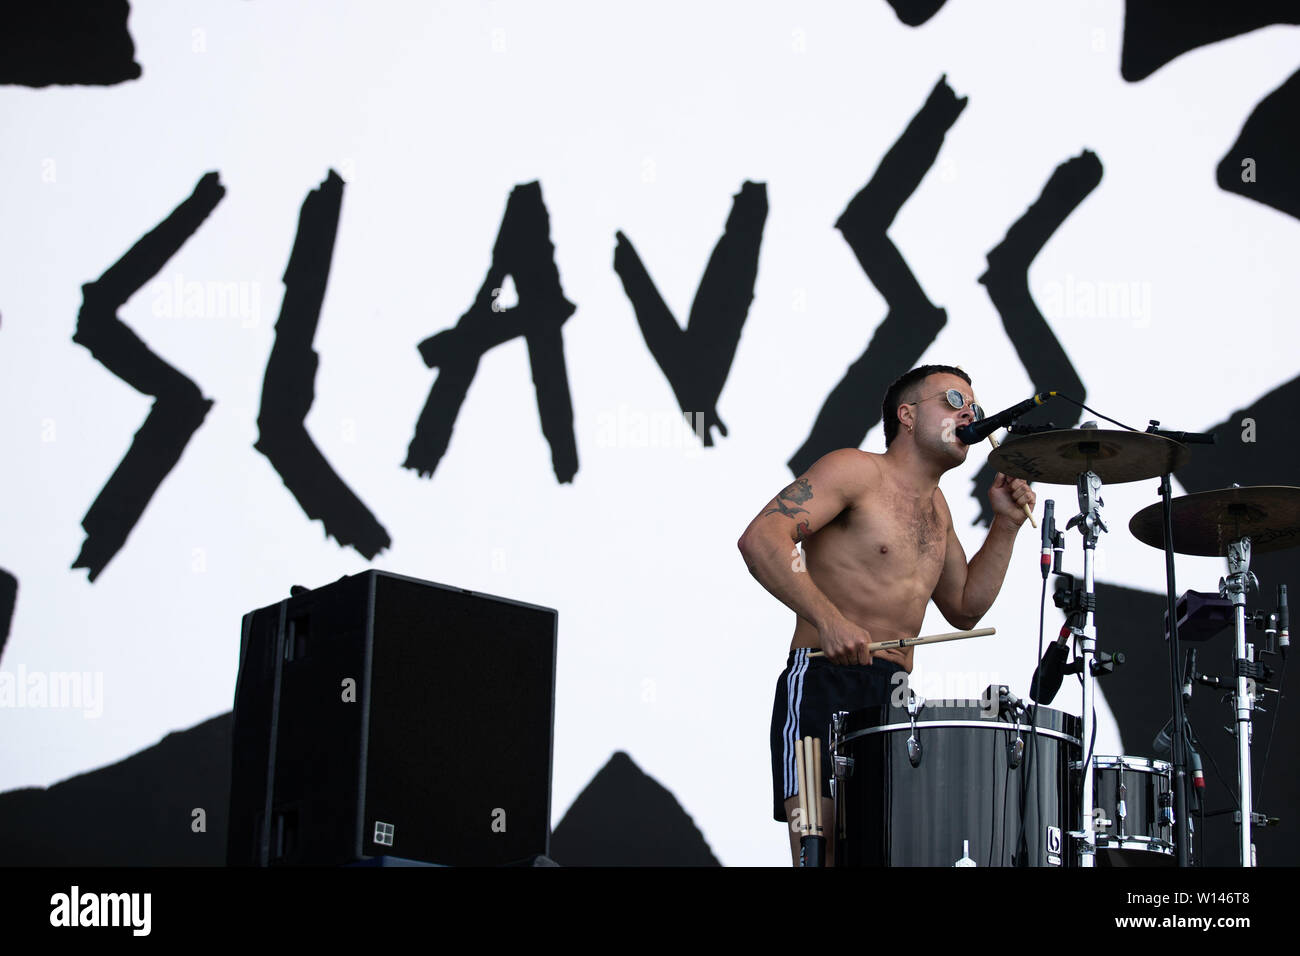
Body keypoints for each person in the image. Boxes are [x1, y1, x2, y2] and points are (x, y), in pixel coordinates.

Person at [736, 365, 1036, 866]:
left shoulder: (938, 509)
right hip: (822, 685)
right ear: (908, 414)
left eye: (975, 409)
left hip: (893, 698)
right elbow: (762, 538)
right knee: (819, 853)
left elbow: (964, 607)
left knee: (884, 854)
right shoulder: (854, 469)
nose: (969, 414)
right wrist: (828, 619)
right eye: (954, 400)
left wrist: (1005, 525)